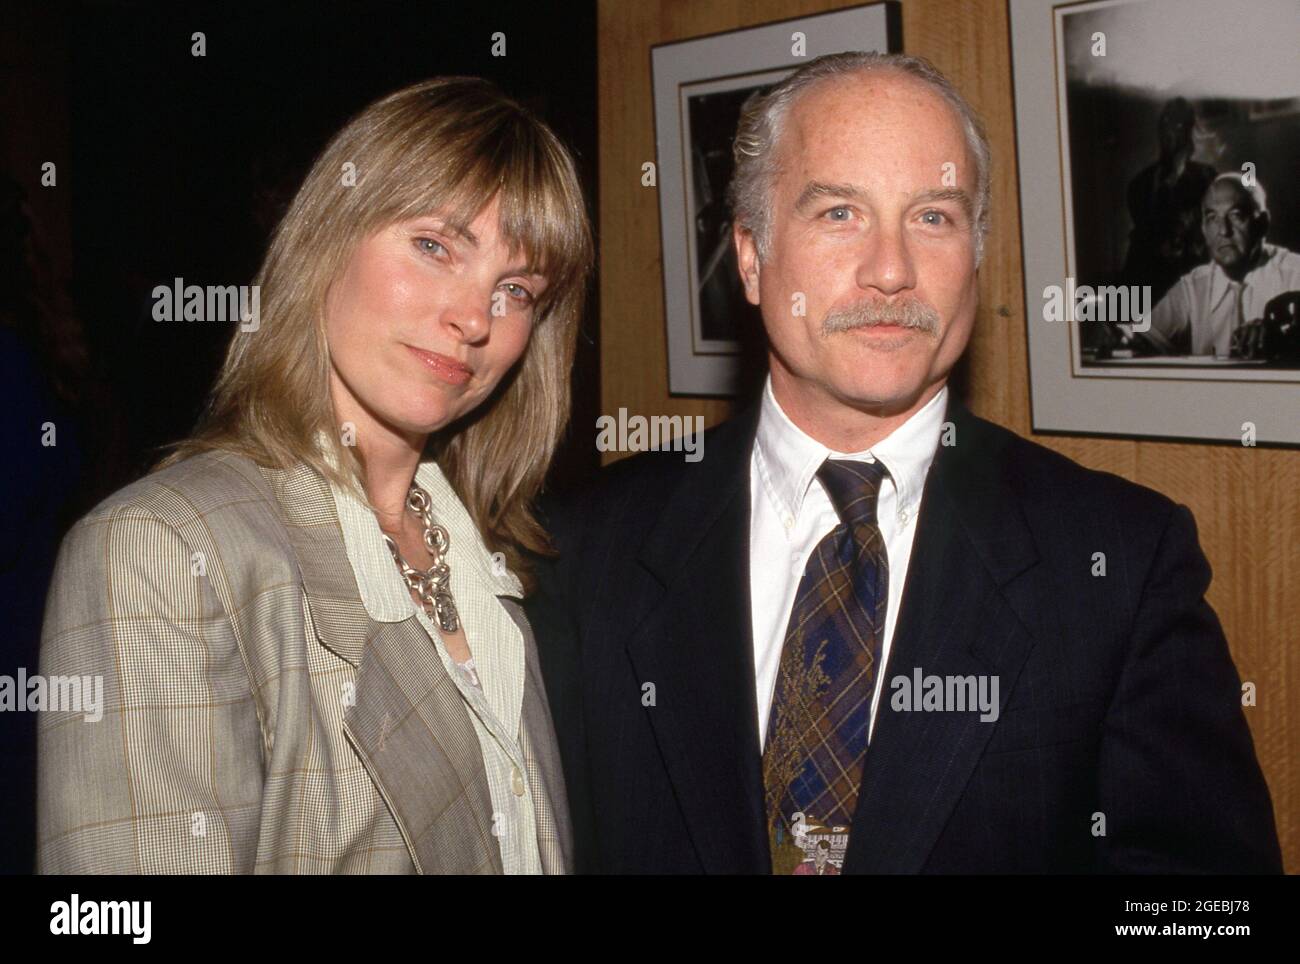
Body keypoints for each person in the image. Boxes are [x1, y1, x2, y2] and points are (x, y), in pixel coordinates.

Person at [525, 52, 1282, 874]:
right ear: (750, 257)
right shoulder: (584, 551)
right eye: (840, 212)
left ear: (976, 253)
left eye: (933, 217)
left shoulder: (1121, 565)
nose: (891, 270)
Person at [36, 77, 593, 874]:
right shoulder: (161, 550)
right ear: (328, 239)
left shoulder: (493, 561)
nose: (475, 320)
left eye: (516, 291)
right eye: (435, 246)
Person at [1136, 173, 1300, 359]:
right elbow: (1143, 338)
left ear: (1263, 223)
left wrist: (1283, 337)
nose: (1223, 230)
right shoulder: (1193, 287)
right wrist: (1123, 336)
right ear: (1204, 230)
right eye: (1212, 218)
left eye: (1236, 215)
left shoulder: (1295, 274)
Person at [1119, 97, 1217, 303]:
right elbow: (1142, 238)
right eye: (1165, 124)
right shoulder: (1141, 184)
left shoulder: (1207, 177)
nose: (1171, 132)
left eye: (1180, 124)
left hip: (1193, 277)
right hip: (1150, 281)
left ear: (1190, 130)